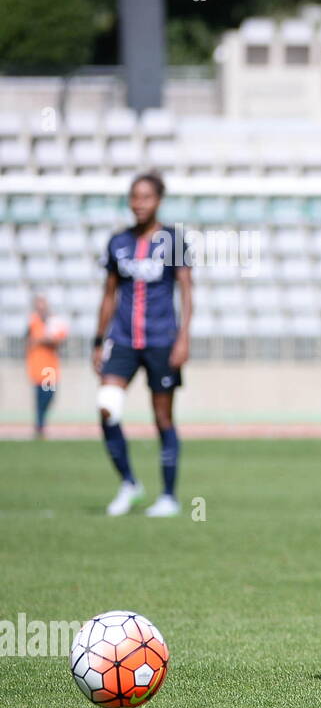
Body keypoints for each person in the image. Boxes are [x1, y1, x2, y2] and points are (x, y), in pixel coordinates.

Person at [93, 171, 192, 517]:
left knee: (162, 418)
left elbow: (186, 290)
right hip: (121, 339)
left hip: (162, 340)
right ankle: (129, 484)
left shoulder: (173, 240)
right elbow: (108, 293)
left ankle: (168, 496)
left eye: (146, 197)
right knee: (107, 406)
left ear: (158, 200)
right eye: (134, 197)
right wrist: (97, 339)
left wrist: (183, 337)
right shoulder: (117, 242)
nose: (139, 203)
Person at [26, 294, 66, 438]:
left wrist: (42, 340)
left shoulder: (53, 322)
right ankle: (40, 424)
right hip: (37, 366)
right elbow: (31, 340)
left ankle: (40, 422)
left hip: (49, 368)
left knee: (49, 395)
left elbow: (56, 340)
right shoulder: (33, 322)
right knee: (40, 396)